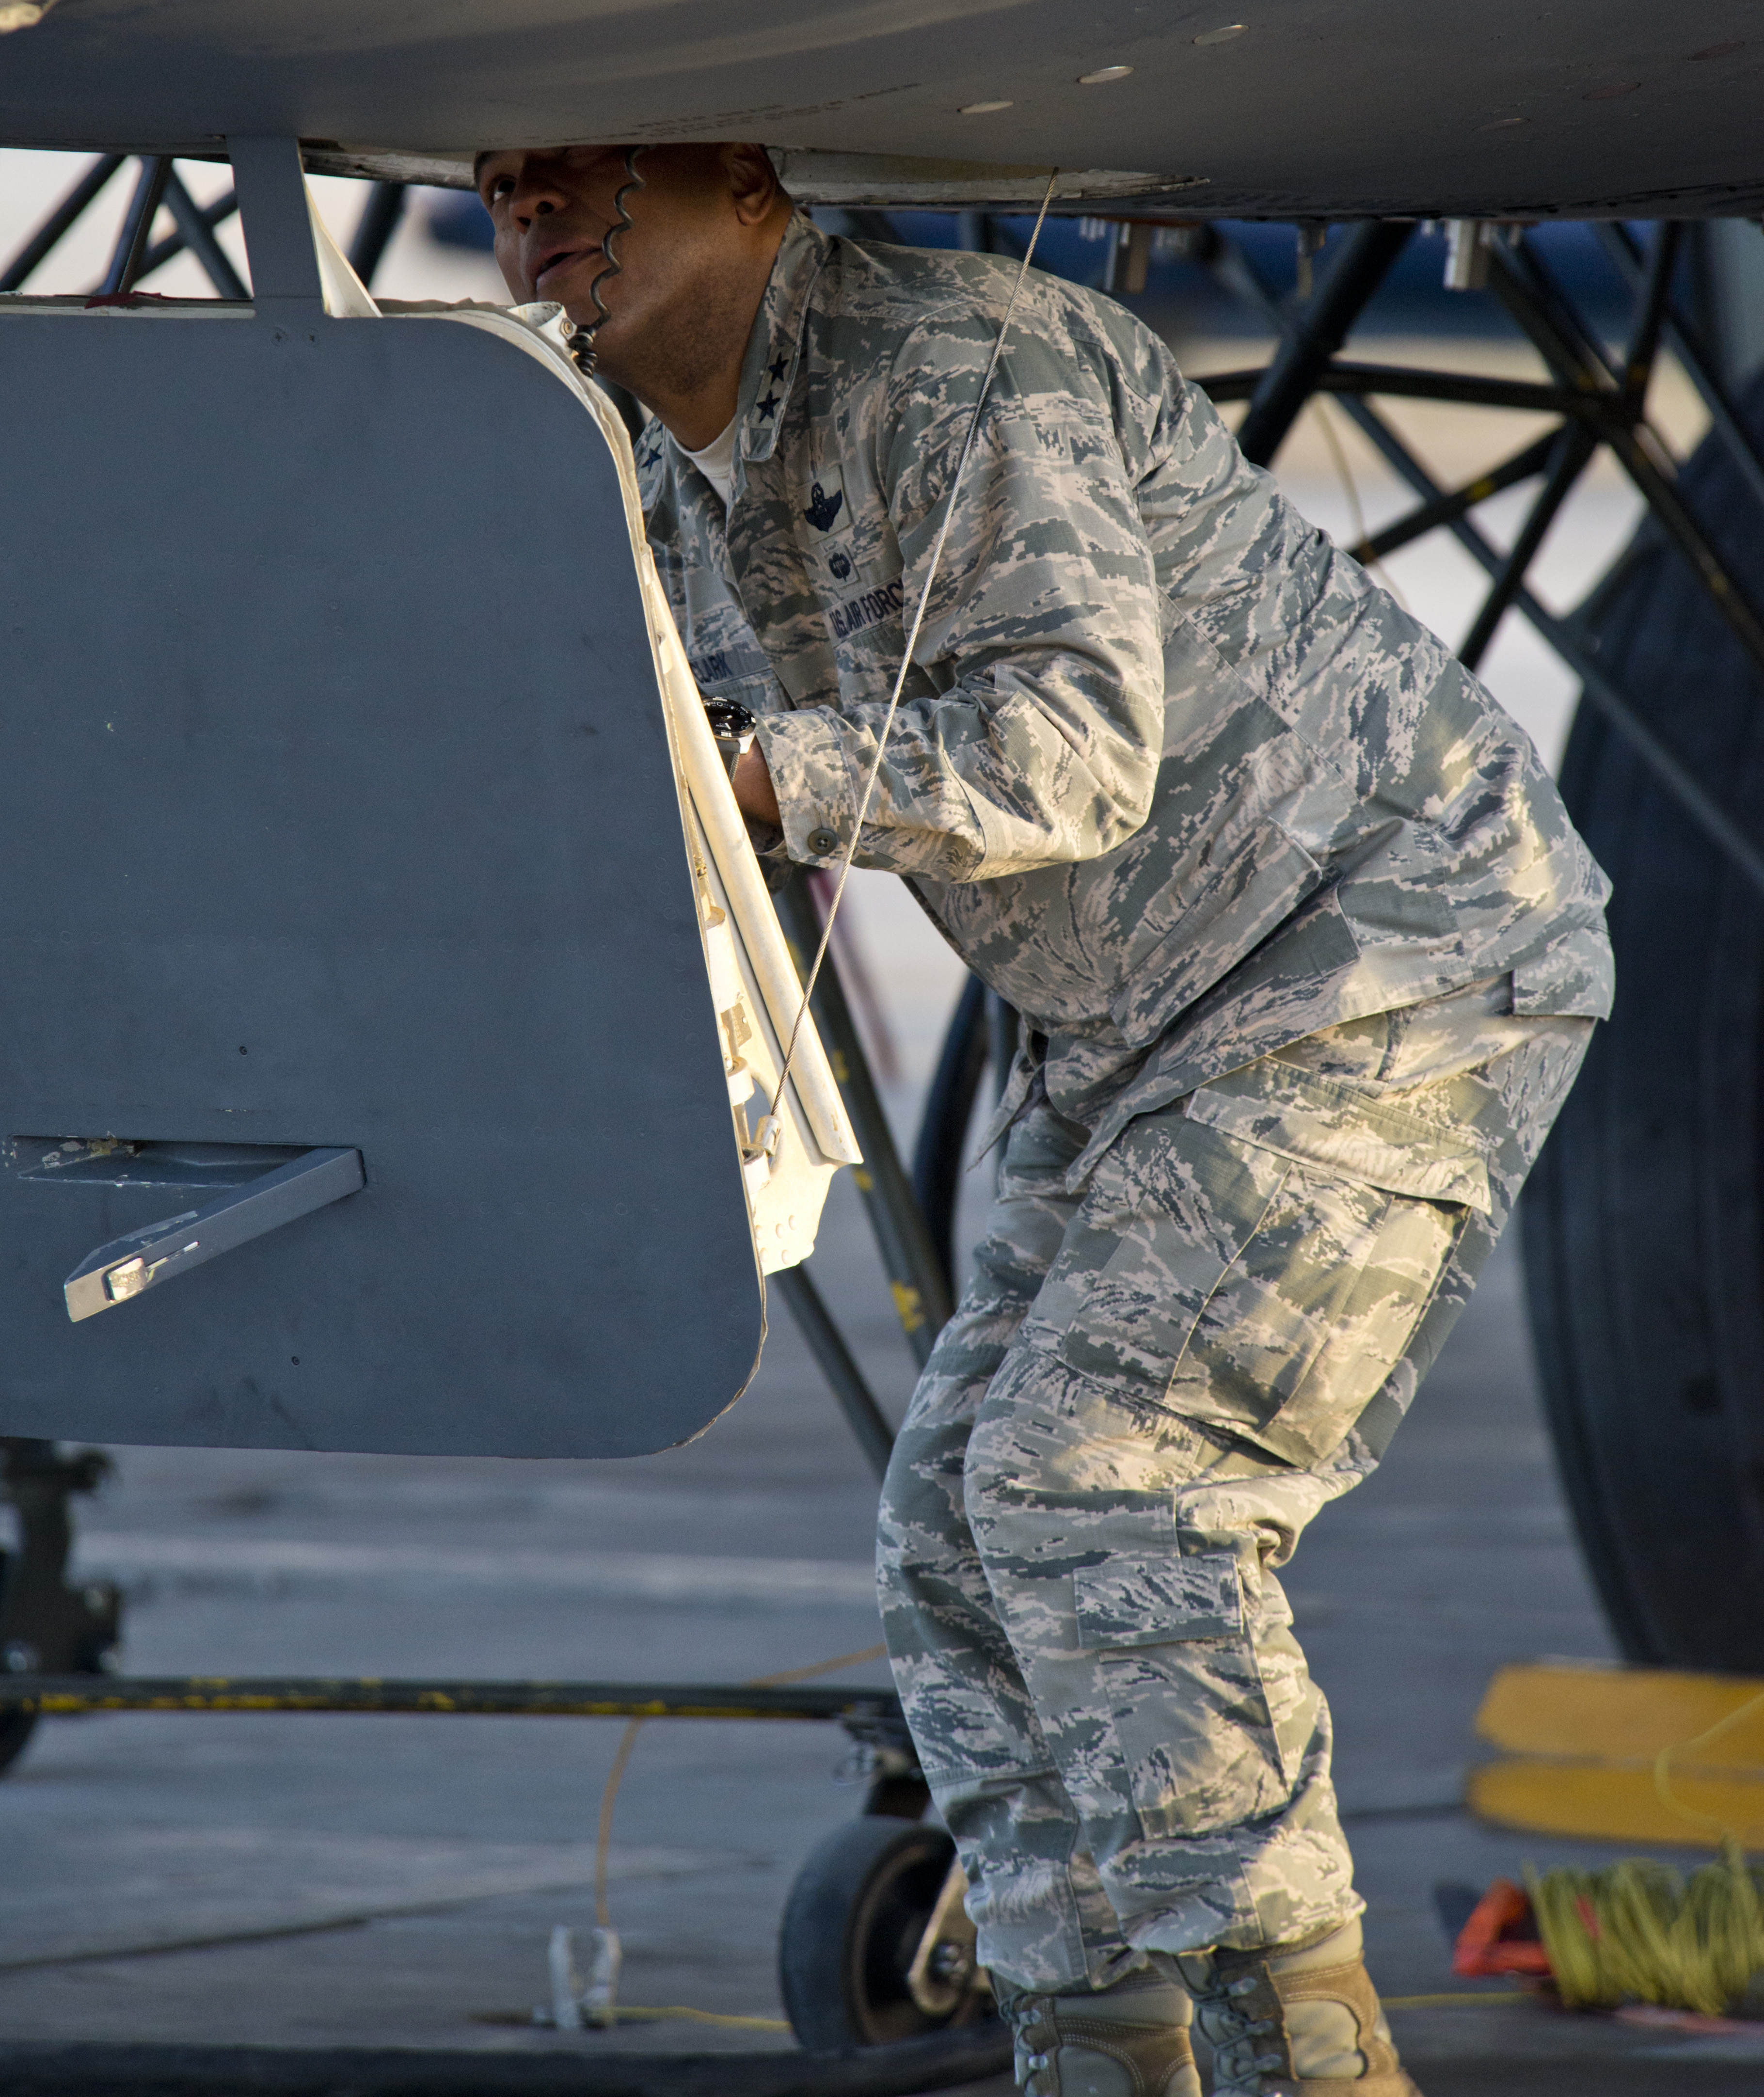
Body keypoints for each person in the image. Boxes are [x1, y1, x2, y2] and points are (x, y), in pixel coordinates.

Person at [477, 139, 1612, 2097]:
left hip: (1377, 952)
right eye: (501, 186)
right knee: (947, 1531)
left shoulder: (963, 367)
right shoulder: (657, 471)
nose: (532, 218)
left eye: (590, 176)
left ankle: (1306, 2062)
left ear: (746, 189)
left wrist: (748, 775)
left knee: (1104, 1482)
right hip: (1130, 1025)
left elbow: (1067, 758)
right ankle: (1094, 2044)